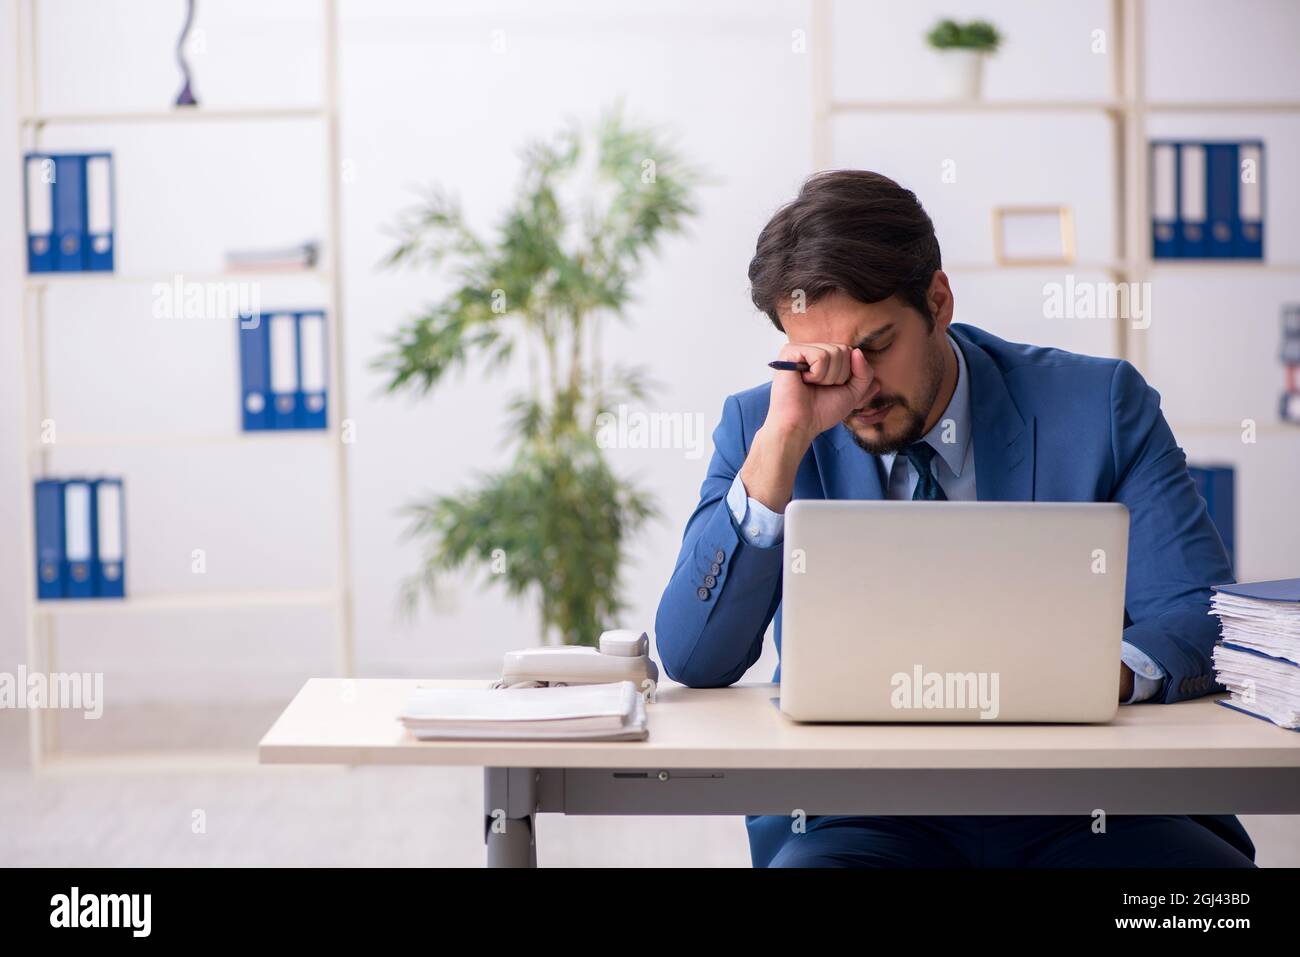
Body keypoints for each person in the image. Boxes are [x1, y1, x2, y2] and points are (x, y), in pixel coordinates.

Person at [653, 169, 1254, 868]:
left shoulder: (1100, 407)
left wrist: (1083, 674)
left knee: (1205, 907)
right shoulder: (763, 429)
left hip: (1091, 805)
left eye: (874, 347)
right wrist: (780, 453)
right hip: (858, 816)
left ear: (938, 301)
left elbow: (1203, 619)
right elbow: (695, 658)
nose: (857, 388)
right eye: (821, 362)